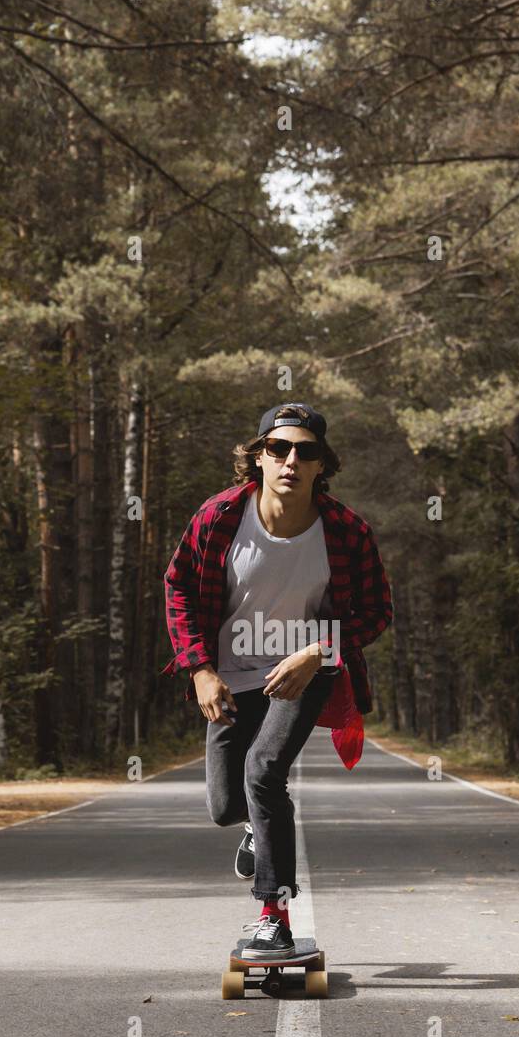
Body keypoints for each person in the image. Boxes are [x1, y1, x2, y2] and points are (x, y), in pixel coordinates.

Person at [161, 402, 392, 958]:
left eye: (305, 452)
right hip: (228, 673)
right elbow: (179, 587)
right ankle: (256, 829)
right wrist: (200, 669)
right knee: (225, 805)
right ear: (258, 456)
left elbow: (376, 611)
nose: (291, 460)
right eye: (279, 448)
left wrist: (318, 651)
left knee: (263, 772)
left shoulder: (346, 531)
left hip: (302, 671)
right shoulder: (219, 517)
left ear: (321, 464)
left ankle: (274, 916)